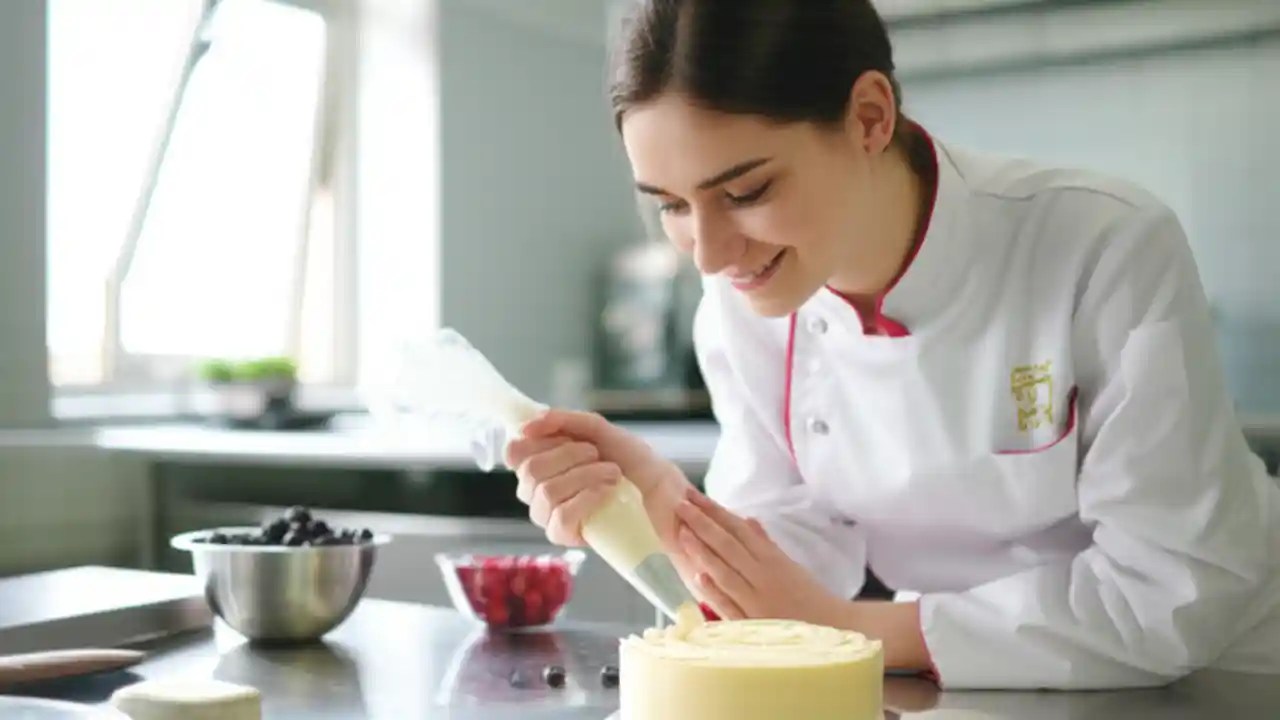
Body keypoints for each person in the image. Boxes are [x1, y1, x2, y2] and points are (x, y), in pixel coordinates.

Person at [505, 0, 1280, 690]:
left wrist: (847, 629)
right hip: (955, 683)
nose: (706, 254)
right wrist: (666, 509)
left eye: (746, 193)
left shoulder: (1101, 246)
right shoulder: (743, 300)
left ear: (870, 117)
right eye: (672, 205)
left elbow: (1173, 590)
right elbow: (794, 560)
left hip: (1212, 683)